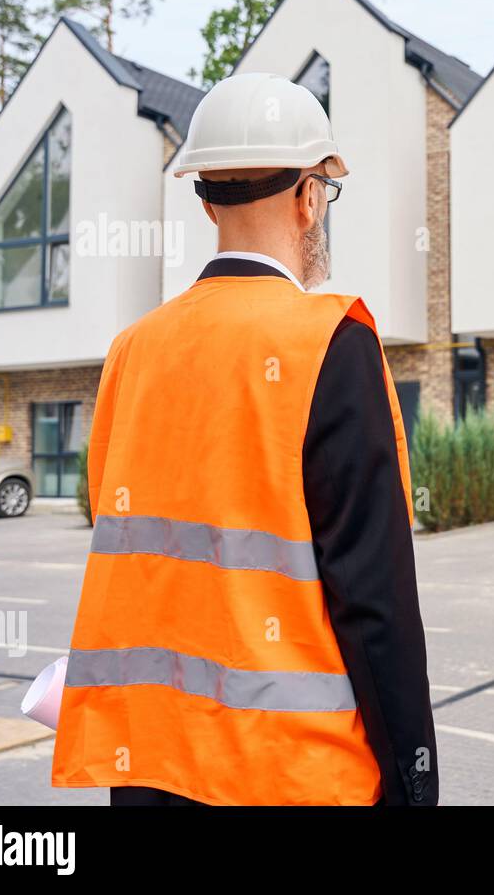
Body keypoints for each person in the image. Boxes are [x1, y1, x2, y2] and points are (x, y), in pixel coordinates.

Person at [51, 73, 437, 806]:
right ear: (309, 196)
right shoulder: (331, 341)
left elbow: (122, 527)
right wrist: (415, 780)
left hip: (152, 765)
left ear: (205, 199)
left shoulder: (132, 350)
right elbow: (373, 597)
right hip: (290, 773)